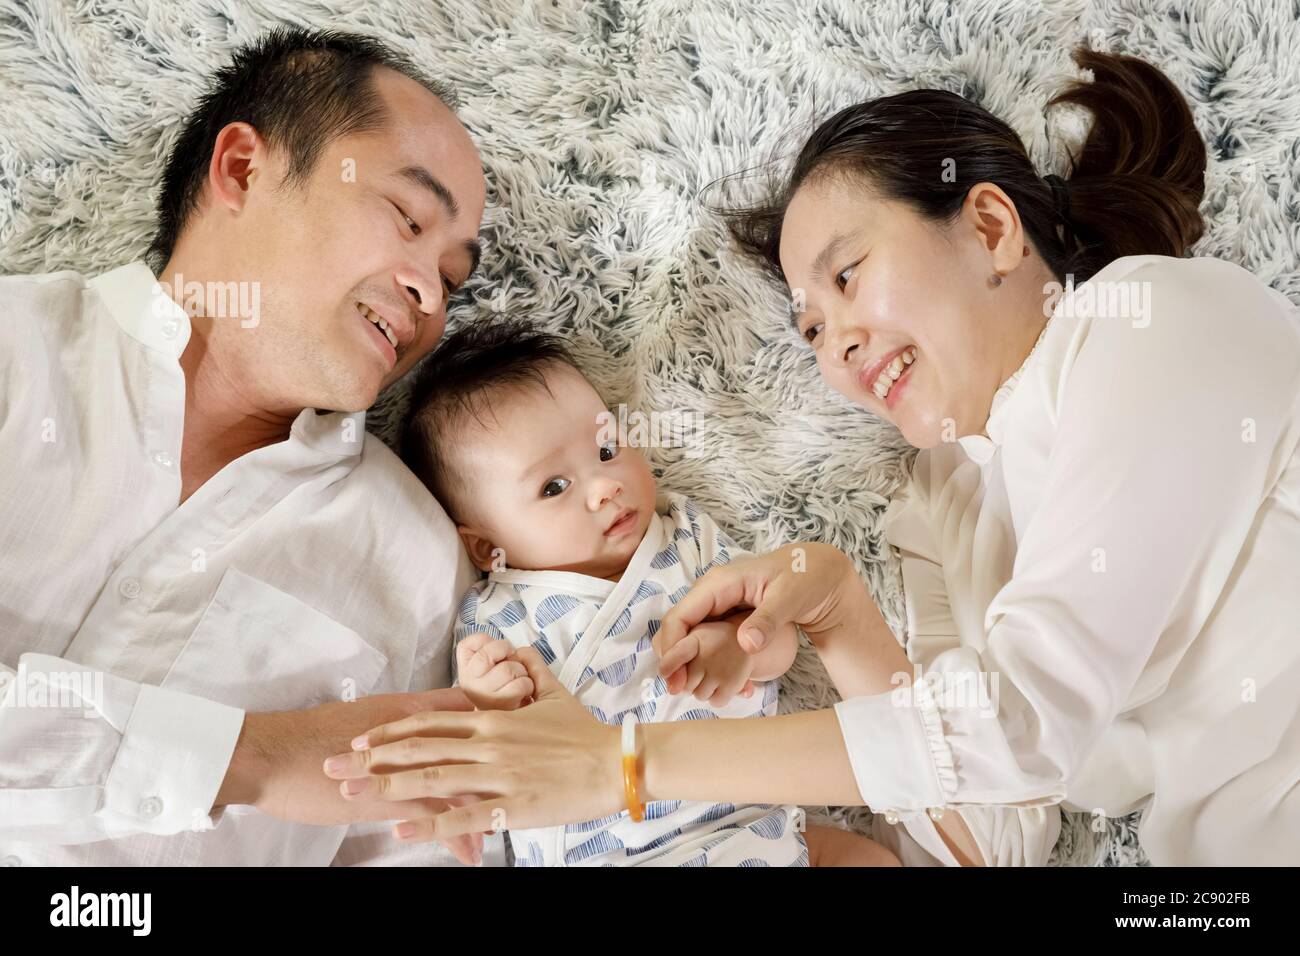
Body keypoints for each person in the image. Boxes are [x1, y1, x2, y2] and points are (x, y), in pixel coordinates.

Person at [322, 48, 1300, 866]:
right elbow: (994, 839)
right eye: (813, 328)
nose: (839, 350)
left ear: (990, 227)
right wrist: (841, 612)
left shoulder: (1153, 323)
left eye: (848, 275)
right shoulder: (944, 500)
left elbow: (1015, 724)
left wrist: (622, 764)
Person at [0, 28, 490, 866]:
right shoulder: (15, 348)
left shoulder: (415, 562)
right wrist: (256, 757)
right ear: (242, 170)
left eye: (451, 278)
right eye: (407, 217)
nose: (427, 295)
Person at [398, 318, 900, 865]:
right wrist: (491, 700)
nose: (604, 485)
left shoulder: (686, 537)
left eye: (607, 449)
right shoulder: (498, 616)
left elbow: (780, 644)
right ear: (483, 546)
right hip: (613, 855)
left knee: (866, 857)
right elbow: (490, 763)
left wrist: (742, 646)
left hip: (752, 827)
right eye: (554, 487)